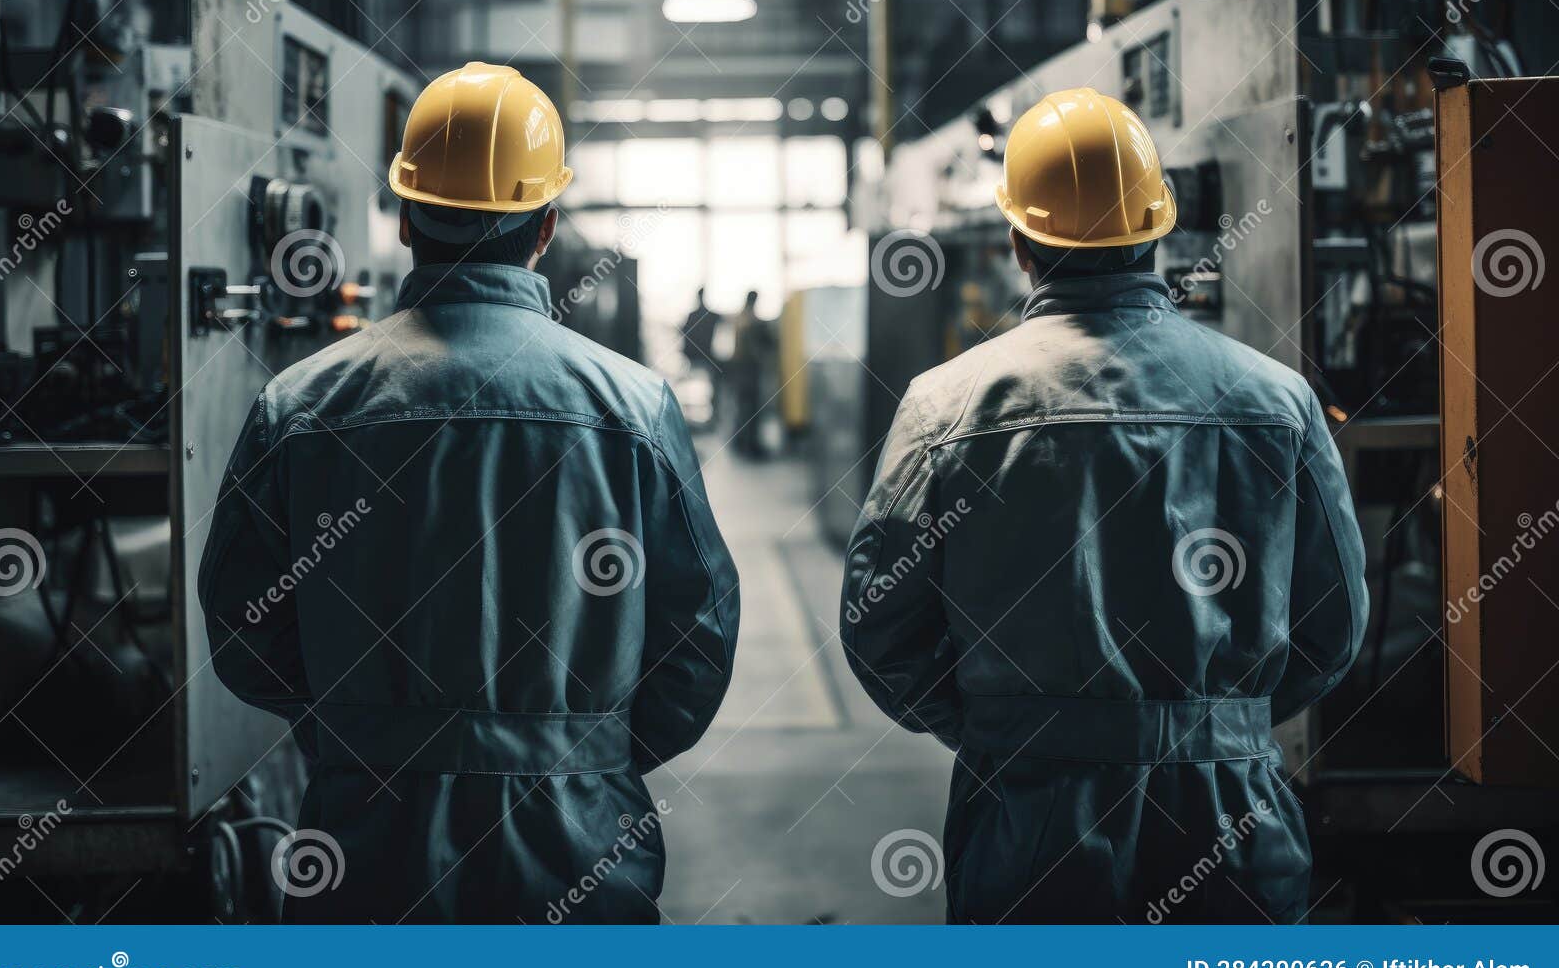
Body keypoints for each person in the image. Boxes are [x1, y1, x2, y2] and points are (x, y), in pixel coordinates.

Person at [199, 63, 739, 923]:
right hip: (574, 841)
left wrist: (353, 732)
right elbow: (699, 635)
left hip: (363, 838)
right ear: (548, 225)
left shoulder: (300, 405)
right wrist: (582, 750)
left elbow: (241, 620)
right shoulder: (630, 407)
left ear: (406, 216)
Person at [840, 87, 1367, 924]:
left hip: (1030, 812)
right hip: (1232, 813)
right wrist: (1218, 722)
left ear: (1019, 242)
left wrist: (1002, 723)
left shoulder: (946, 405)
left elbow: (880, 626)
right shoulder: (1276, 399)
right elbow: (1332, 627)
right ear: (1159, 230)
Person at [728, 290, 775, 457]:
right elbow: (762, 346)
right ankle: (750, 446)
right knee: (751, 409)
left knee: (743, 408)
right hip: (749, 369)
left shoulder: (740, 318)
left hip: (740, 369)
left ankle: (741, 443)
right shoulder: (751, 321)